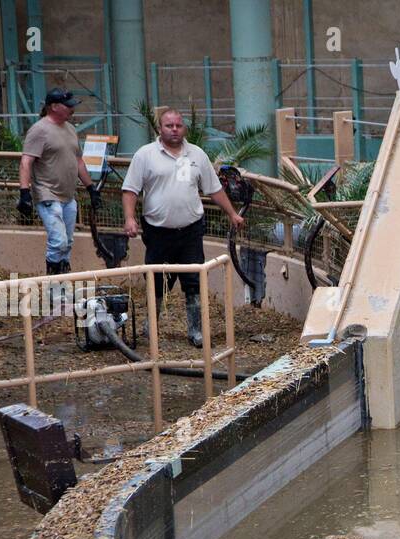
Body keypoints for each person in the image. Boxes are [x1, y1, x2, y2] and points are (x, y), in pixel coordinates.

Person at [121, 108, 245, 347]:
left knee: (193, 280)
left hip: (190, 230)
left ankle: (196, 330)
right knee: (157, 281)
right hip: (158, 231)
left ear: (184, 127)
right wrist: (129, 218)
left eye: (178, 125)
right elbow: (130, 189)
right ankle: (152, 325)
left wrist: (232, 214)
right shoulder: (145, 155)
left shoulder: (196, 154)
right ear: (160, 128)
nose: (174, 130)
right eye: (169, 126)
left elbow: (214, 188)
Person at [16, 88, 95, 275]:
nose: (71, 109)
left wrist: (91, 187)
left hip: (68, 195)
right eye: (67, 106)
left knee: (67, 243)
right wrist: (24, 192)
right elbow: (26, 161)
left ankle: (62, 283)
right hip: (48, 193)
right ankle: (53, 284)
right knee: (58, 241)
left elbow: (78, 161)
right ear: (53, 107)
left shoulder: (70, 129)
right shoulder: (39, 130)